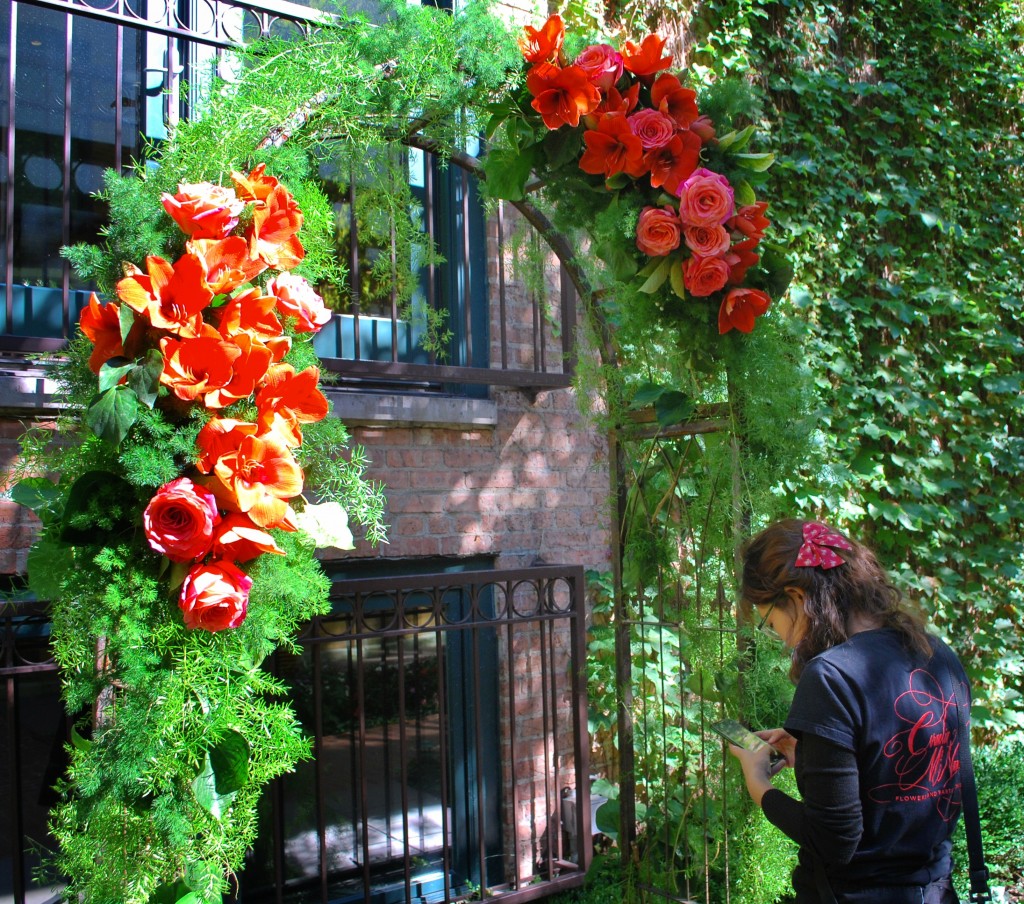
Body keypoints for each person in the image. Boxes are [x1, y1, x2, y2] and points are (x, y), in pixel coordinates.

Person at [728, 519, 968, 904]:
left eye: (769, 621)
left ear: (795, 596)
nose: (777, 636)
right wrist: (814, 749)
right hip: (935, 892)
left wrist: (759, 786)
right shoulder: (936, 654)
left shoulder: (830, 676)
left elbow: (834, 841)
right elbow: (905, 763)